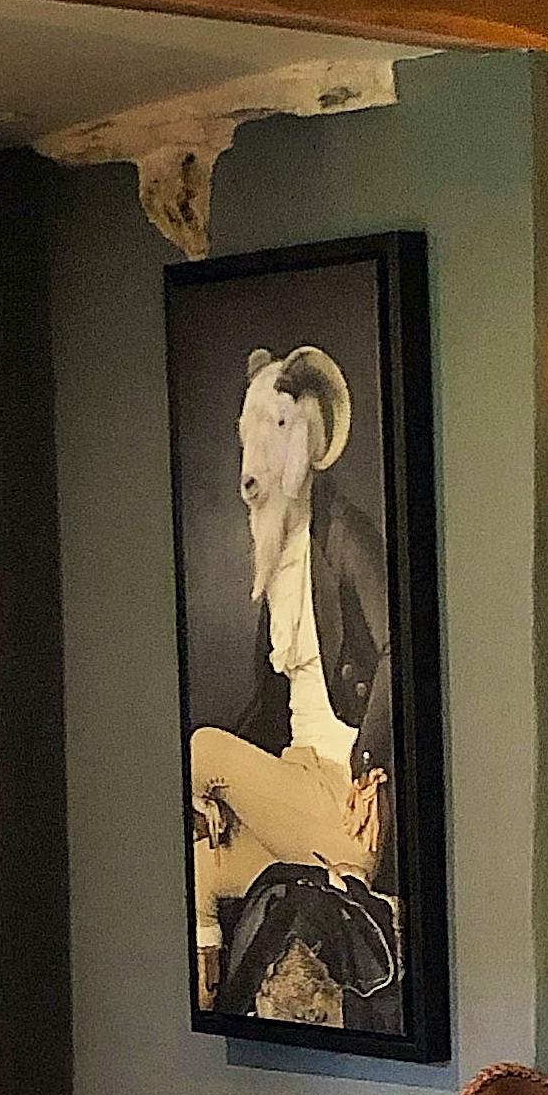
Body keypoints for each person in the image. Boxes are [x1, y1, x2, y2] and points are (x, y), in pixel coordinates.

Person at [187, 342, 395, 1013]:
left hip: (341, 796)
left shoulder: (346, 537)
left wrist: (369, 765)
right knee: (200, 865)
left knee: (199, 750)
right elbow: (269, 700)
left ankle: (348, 879)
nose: (256, 464)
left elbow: (399, 649)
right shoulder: (279, 557)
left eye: (276, 429)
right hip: (295, 778)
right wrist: (215, 798)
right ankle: (217, 1006)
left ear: (306, 429)